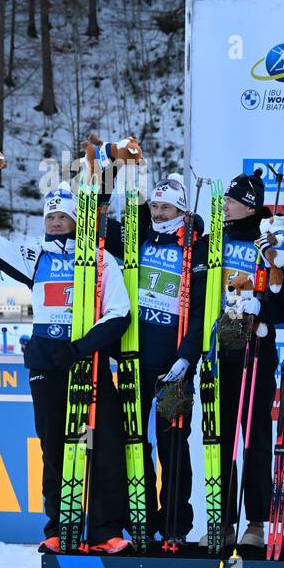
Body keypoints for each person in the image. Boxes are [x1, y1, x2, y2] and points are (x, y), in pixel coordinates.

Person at [0, 141, 131, 553]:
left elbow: (119, 315)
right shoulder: (35, 256)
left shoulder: (102, 259)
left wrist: (81, 348)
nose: (53, 221)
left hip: (88, 362)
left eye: (61, 215)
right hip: (48, 366)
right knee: (55, 451)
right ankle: (59, 528)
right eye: (48, 214)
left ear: (75, 220)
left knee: (99, 448)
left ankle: (105, 532)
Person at [102, 174, 207, 547]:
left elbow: (200, 310)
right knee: (135, 444)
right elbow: (93, 221)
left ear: (182, 210)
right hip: (133, 357)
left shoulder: (196, 247)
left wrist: (187, 357)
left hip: (172, 365)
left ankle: (175, 524)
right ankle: (141, 518)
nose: (159, 213)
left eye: (167, 207)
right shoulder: (136, 237)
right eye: (155, 206)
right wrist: (106, 170)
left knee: (173, 446)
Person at [212, 169, 284, 549]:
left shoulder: (269, 242)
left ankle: (256, 522)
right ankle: (224, 520)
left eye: (231, 200)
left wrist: (261, 304)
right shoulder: (215, 238)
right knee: (221, 437)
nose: (225, 205)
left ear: (248, 206)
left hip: (257, 349)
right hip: (221, 350)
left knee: (256, 437)